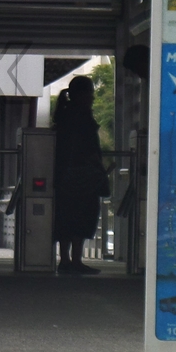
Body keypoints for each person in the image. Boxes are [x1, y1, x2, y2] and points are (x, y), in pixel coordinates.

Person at [54, 74, 111, 274]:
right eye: (91, 94)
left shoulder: (64, 115)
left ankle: (65, 259)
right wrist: (100, 170)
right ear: (83, 94)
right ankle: (76, 260)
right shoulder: (83, 117)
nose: (93, 98)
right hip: (83, 177)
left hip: (63, 176)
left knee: (66, 217)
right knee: (83, 216)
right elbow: (89, 150)